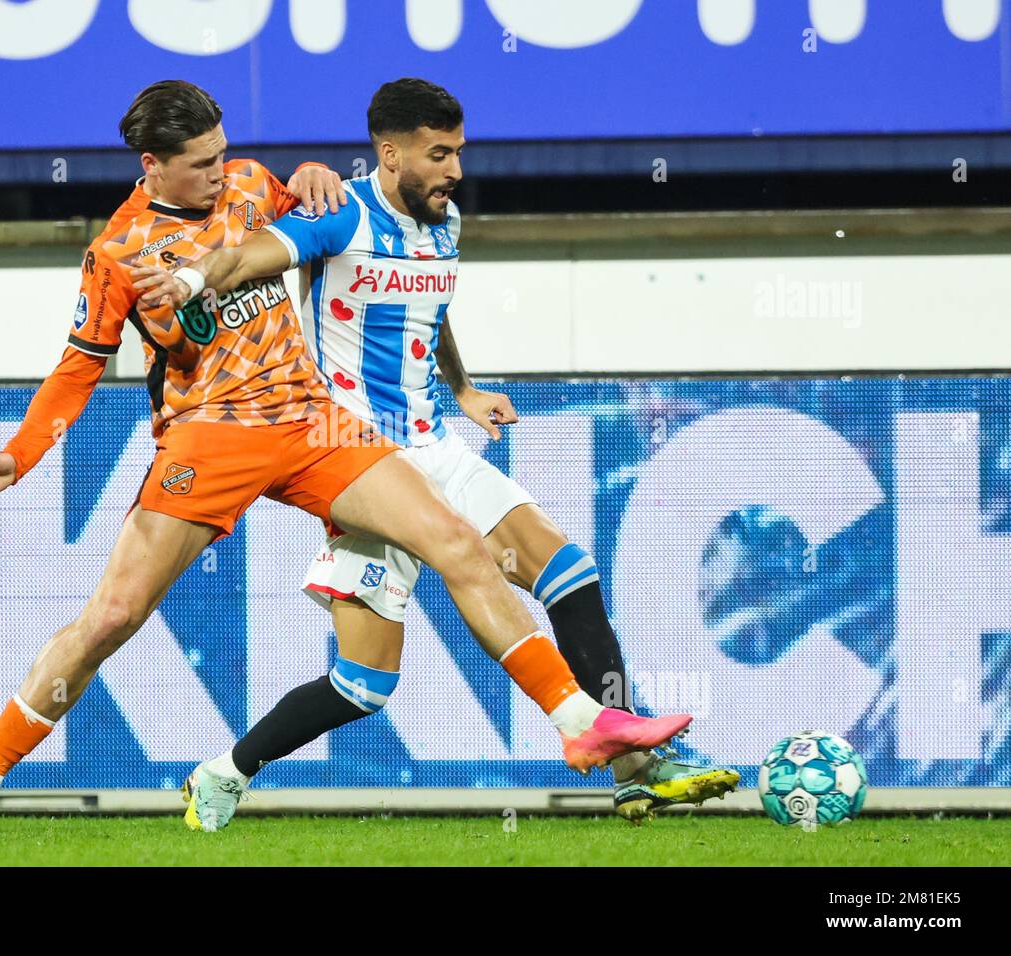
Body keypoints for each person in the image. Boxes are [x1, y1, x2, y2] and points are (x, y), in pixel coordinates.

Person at [0, 79, 691, 836]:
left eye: (223, 153)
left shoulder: (251, 182)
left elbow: (314, 223)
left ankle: (580, 723)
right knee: (113, 616)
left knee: (455, 542)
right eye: (201, 163)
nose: (221, 172)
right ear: (153, 166)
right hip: (211, 434)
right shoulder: (116, 251)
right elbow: (79, 367)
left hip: (317, 423)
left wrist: (313, 176)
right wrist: (20, 454)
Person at [131, 79, 733, 832]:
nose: (453, 169)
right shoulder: (341, 213)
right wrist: (189, 276)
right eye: (438, 154)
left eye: (458, 153)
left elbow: (429, 310)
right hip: (360, 460)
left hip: (434, 441)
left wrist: (465, 386)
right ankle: (225, 772)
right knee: (365, 682)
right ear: (390, 153)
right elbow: (245, 257)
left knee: (568, 572)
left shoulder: (443, 223)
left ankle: (633, 766)